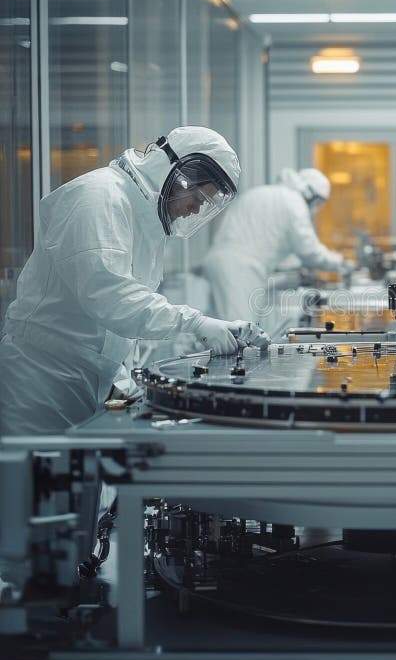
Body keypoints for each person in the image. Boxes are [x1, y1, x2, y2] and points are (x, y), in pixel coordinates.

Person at [0, 126, 269, 436]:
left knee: (80, 478)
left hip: (85, 376)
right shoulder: (98, 197)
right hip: (41, 382)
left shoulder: (142, 218)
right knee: (36, 480)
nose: (195, 208)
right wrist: (196, 323)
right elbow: (112, 298)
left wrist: (123, 379)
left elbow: (108, 325)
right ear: (176, 172)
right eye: (196, 197)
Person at [204, 168, 351, 330]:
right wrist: (340, 262)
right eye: (317, 202)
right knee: (240, 331)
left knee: (216, 329)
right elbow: (309, 251)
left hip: (218, 261)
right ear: (309, 192)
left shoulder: (262, 192)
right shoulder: (294, 202)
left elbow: (265, 237)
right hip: (241, 270)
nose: (315, 208)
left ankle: (191, 352)